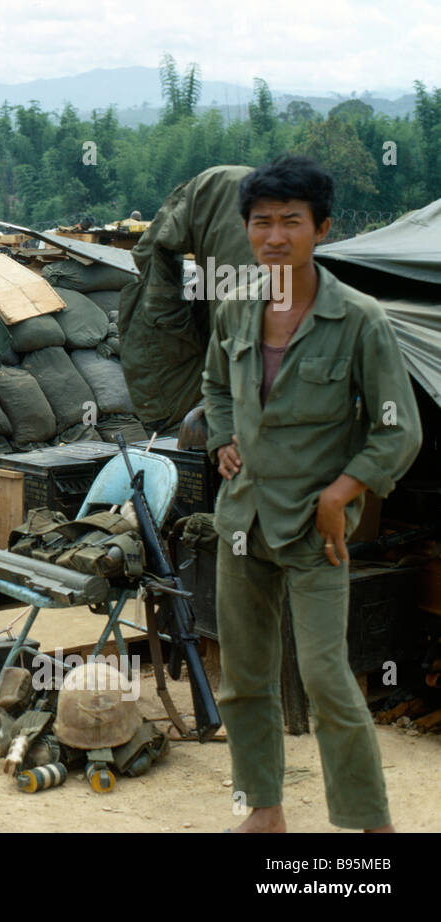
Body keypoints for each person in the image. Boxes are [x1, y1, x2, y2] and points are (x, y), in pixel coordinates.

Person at [202, 155, 421, 833]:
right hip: (242, 523)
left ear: (321, 228)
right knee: (242, 680)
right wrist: (220, 440)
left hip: (315, 532)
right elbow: (214, 389)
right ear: (246, 230)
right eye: (261, 222)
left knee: (327, 680)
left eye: (290, 221)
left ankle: (369, 825)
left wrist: (342, 493)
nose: (274, 236)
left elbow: (398, 430)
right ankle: (263, 810)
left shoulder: (359, 320)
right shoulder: (235, 307)